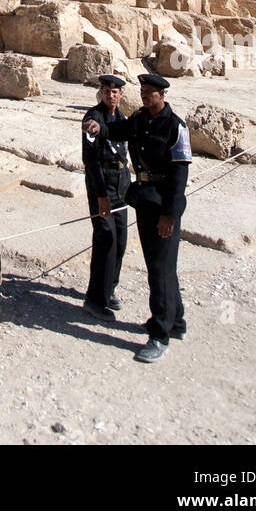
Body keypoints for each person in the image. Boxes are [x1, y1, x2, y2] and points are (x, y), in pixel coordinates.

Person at [84, 69, 192, 364]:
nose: (145, 98)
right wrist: (98, 129)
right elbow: (118, 131)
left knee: (161, 269)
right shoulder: (140, 120)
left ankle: (160, 334)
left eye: (149, 95)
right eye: (142, 95)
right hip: (144, 199)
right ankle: (176, 321)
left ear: (162, 95)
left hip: (164, 205)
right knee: (159, 266)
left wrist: (170, 214)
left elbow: (180, 176)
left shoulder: (175, 126)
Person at [81, 73, 130, 322]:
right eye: (107, 91)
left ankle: (109, 288)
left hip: (121, 186)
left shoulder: (121, 118)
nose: (111, 95)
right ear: (101, 92)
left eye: (115, 91)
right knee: (106, 239)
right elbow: (90, 160)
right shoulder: (93, 118)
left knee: (121, 240)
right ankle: (94, 299)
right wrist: (100, 195)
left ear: (121, 94)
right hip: (102, 186)